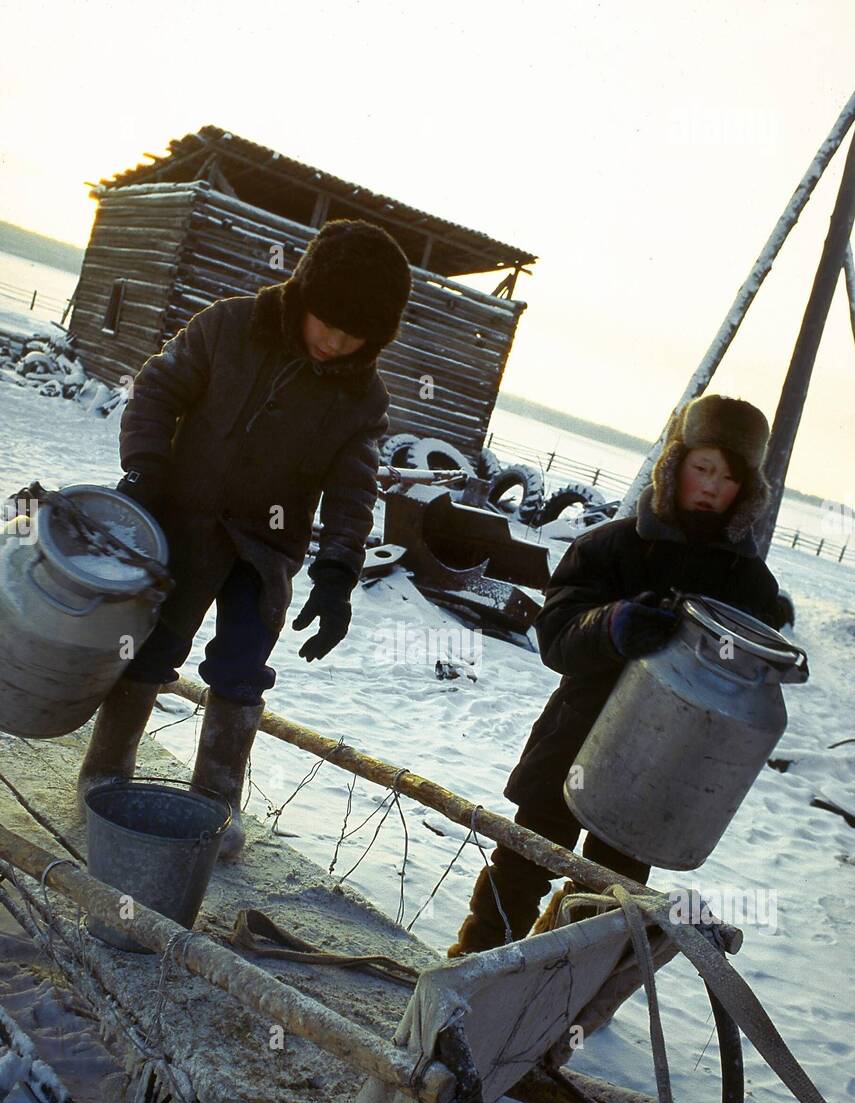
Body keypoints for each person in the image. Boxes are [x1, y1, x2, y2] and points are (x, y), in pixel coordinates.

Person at [77, 220, 412, 858]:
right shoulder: (231, 327)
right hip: (183, 523)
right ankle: (106, 771)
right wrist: (145, 468)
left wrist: (339, 572)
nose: (337, 341)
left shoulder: (362, 395)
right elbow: (155, 389)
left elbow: (353, 488)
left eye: (356, 331)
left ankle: (214, 802)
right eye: (329, 320)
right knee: (150, 649)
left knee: (240, 670)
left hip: (264, 551)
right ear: (303, 295)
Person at [448, 393, 783, 958]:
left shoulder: (751, 587)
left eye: (728, 479)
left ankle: (554, 1001)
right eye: (702, 468)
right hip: (571, 744)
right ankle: (472, 967)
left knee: (609, 898)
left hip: (661, 771)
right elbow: (556, 637)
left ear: (746, 493)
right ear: (675, 466)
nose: (710, 487)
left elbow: (745, 688)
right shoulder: (609, 548)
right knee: (523, 864)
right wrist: (612, 627)